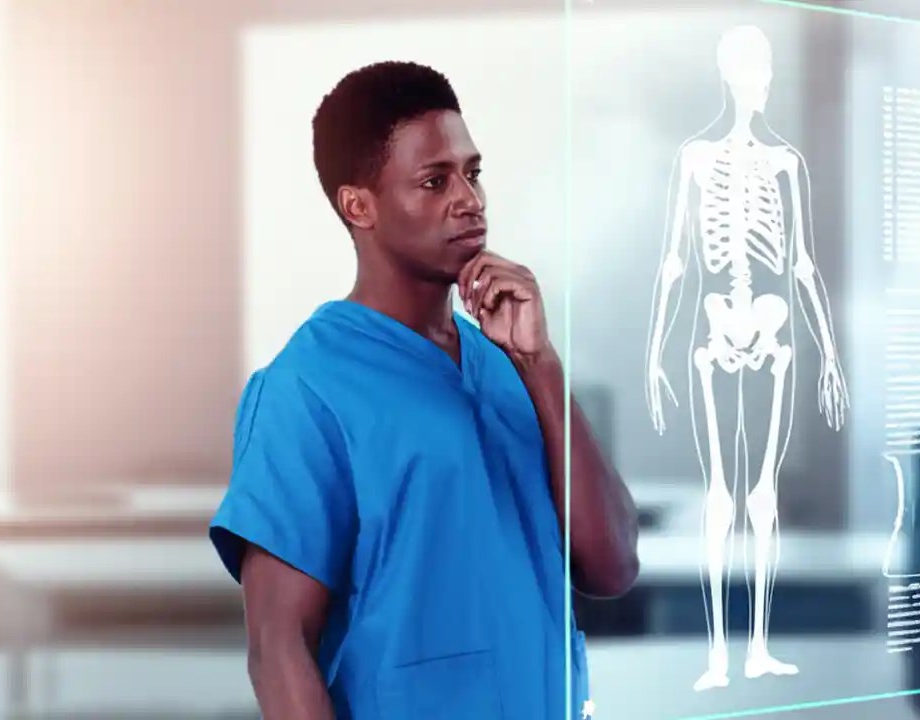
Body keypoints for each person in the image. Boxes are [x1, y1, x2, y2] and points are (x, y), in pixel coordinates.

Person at [209, 60, 639, 720]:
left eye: (473, 172)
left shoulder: (508, 363)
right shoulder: (306, 389)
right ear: (359, 206)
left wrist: (542, 368)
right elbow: (278, 646)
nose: (469, 198)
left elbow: (611, 569)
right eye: (435, 181)